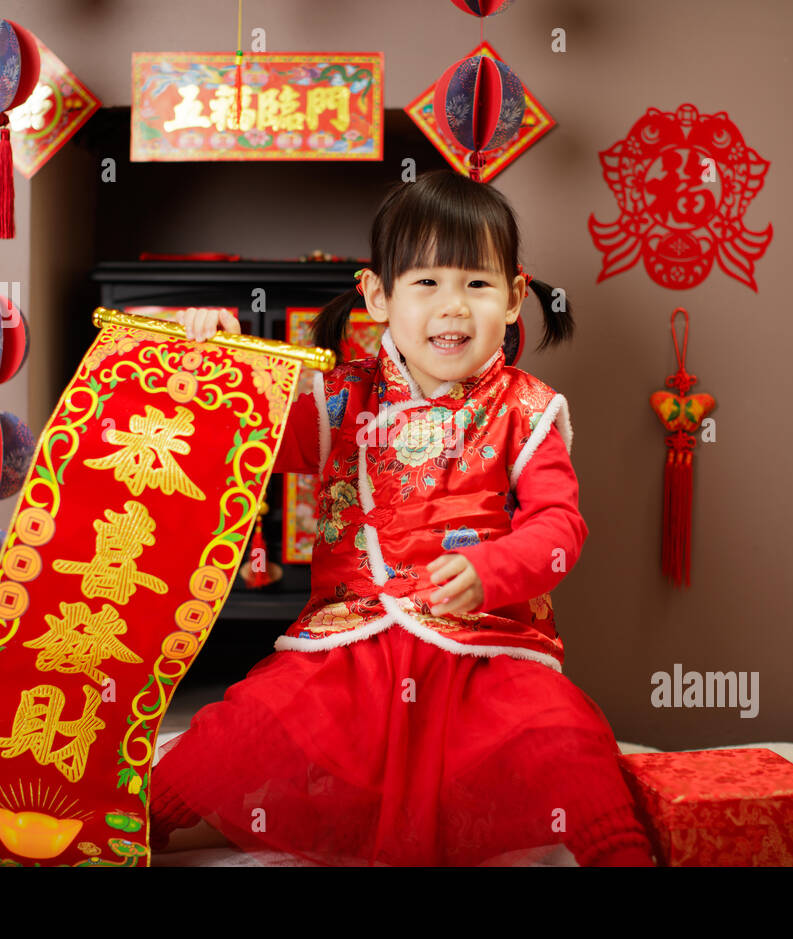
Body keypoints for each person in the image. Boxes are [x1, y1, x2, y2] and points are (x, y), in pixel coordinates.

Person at [149, 170, 656, 867]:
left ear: (513, 299)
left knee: (566, 741)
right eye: (427, 283)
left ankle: (622, 853)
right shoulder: (341, 399)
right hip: (348, 648)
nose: (453, 307)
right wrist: (224, 355)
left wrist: (491, 568)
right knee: (238, 731)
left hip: (486, 651)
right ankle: (123, 827)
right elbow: (248, 436)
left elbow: (560, 530)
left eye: (477, 284)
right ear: (378, 296)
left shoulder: (527, 409)